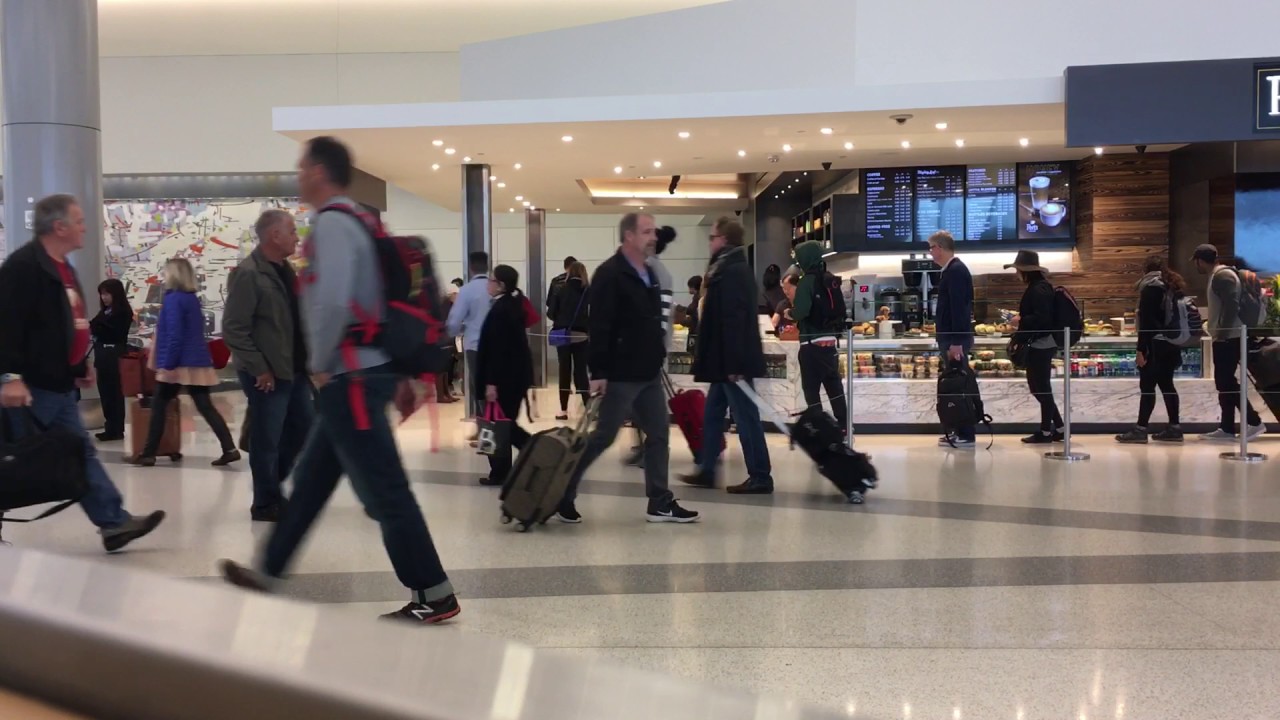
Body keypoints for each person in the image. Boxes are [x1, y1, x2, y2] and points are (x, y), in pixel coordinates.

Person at [221, 136, 459, 624]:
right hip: (359, 374)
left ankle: (435, 594)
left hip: (351, 378)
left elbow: (330, 303)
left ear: (318, 171)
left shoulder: (331, 224)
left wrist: (318, 361)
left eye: (301, 167)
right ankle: (268, 571)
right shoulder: (361, 219)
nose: (298, 175)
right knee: (310, 484)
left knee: (386, 492)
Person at [0, 193, 165, 552]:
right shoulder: (23, 267)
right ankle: (113, 521)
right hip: (32, 387)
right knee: (12, 456)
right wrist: (9, 376)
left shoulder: (64, 268)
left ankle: (114, 522)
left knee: (80, 452)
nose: (85, 227)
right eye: (79, 221)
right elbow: (6, 325)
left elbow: (65, 324)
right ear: (59, 227)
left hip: (59, 384)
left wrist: (77, 365)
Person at [556, 212, 699, 525]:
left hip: (648, 371)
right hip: (620, 372)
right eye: (647, 231)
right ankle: (562, 491)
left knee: (659, 434)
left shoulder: (649, 272)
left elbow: (652, 320)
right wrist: (598, 372)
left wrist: (657, 354)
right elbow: (600, 325)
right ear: (629, 236)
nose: (653, 237)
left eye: (653, 231)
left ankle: (659, 501)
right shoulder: (609, 274)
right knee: (603, 437)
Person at [222, 209, 315, 521]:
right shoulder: (249, 274)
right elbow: (234, 328)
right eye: (292, 231)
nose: (296, 238)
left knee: (303, 430)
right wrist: (259, 367)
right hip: (268, 374)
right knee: (267, 439)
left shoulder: (287, 271)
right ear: (274, 235)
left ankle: (271, 485)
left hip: (295, 369)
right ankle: (264, 502)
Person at [679, 217, 772, 494]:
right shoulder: (725, 268)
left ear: (724, 239)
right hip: (724, 361)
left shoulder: (733, 271)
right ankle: (707, 470)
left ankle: (761, 476)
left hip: (733, 362)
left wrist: (733, 363)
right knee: (712, 414)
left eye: (712, 237)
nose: (710, 242)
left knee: (745, 417)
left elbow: (734, 320)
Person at [126, 259, 240, 467]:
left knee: (159, 405)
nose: (163, 276)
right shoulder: (191, 298)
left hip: (178, 362)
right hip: (196, 360)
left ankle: (149, 453)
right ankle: (229, 448)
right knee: (205, 406)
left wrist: (168, 363)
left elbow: (175, 334)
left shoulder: (173, 299)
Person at [1192, 244, 1264, 441]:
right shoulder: (1220, 275)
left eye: (1196, 262)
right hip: (1227, 336)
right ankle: (1227, 428)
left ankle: (1254, 421)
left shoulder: (1222, 276)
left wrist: (1222, 333)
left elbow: (1232, 305)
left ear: (1200, 260)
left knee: (1226, 382)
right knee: (1225, 383)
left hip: (1229, 338)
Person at [1117, 255, 1185, 444]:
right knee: (1167, 385)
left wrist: (1141, 350)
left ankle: (1140, 430)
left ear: (1145, 270)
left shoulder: (1150, 288)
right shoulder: (1170, 285)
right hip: (1171, 343)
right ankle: (1175, 428)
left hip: (1154, 346)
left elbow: (1146, 323)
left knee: (1147, 387)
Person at [476, 265, 534, 487]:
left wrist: (491, 383)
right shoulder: (510, 305)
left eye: (491, 280)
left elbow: (498, 351)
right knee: (503, 424)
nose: (488, 284)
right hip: (513, 379)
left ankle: (530, 450)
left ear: (501, 285)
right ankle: (502, 471)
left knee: (502, 426)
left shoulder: (503, 310)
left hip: (504, 380)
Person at [1006, 251, 1064, 444]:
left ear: (1025, 271)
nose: (1016, 274)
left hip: (1041, 345)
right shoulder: (1040, 287)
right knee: (1039, 388)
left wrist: (1020, 320)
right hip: (1041, 344)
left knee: (1041, 389)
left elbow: (1043, 318)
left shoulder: (1038, 289)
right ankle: (1060, 428)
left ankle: (1046, 432)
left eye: (1018, 270)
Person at [790, 241, 848, 434]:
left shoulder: (806, 282)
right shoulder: (829, 279)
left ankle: (821, 431)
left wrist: (790, 313)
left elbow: (801, 311)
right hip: (830, 343)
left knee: (811, 390)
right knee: (834, 387)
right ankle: (844, 426)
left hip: (811, 344)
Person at [928, 231, 976, 449]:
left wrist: (957, 341)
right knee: (956, 385)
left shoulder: (955, 271)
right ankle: (958, 430)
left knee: (959, 386)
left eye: (931, 248)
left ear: (939, 247)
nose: (930, 252)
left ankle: (965, 433)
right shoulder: (951, 270)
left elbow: (959, 309)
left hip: (954, 339)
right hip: (951, 338)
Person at [447, 251, 491, 421]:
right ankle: (495, 422)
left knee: (478, 385)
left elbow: (454, 321)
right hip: (497, 346)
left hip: (474, 345)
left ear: (471, 268)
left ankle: (485, 425)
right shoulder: (495, 287)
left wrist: (454, 333)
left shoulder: (466, 290)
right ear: (487, 266)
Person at [90, 278, 134, 442]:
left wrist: (98, 327)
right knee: (105, 392)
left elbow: (113, 333)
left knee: (115, 393)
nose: (104, 297)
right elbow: (94, 326)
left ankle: (116, 429)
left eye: (107, 294)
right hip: (102, 356)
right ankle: (110, 426)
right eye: (102, 294)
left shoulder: (123, 312)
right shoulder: (105, 312)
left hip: (115, 356)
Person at [549, 260, 590, 420]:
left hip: (563, 335)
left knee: (564, 371)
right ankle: (588, 408)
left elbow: (551, 313)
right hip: (582, 335)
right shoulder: (588, 290)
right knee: (581, 371)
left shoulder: (561, 289)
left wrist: (562, 318)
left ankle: (563, 410)